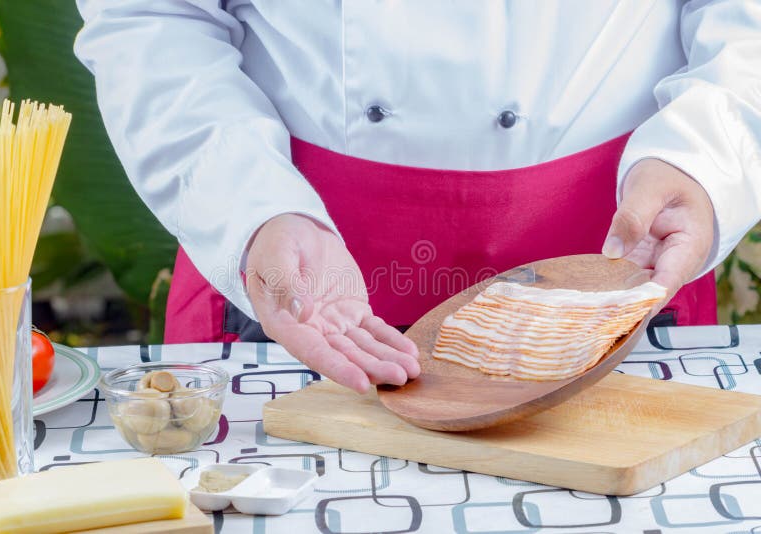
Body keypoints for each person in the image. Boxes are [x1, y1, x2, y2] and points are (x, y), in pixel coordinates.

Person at [75, 1, 761, 394]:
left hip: (614, 259)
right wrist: (249, 208)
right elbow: (153, 15)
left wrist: (704, 161)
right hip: (294, 264)